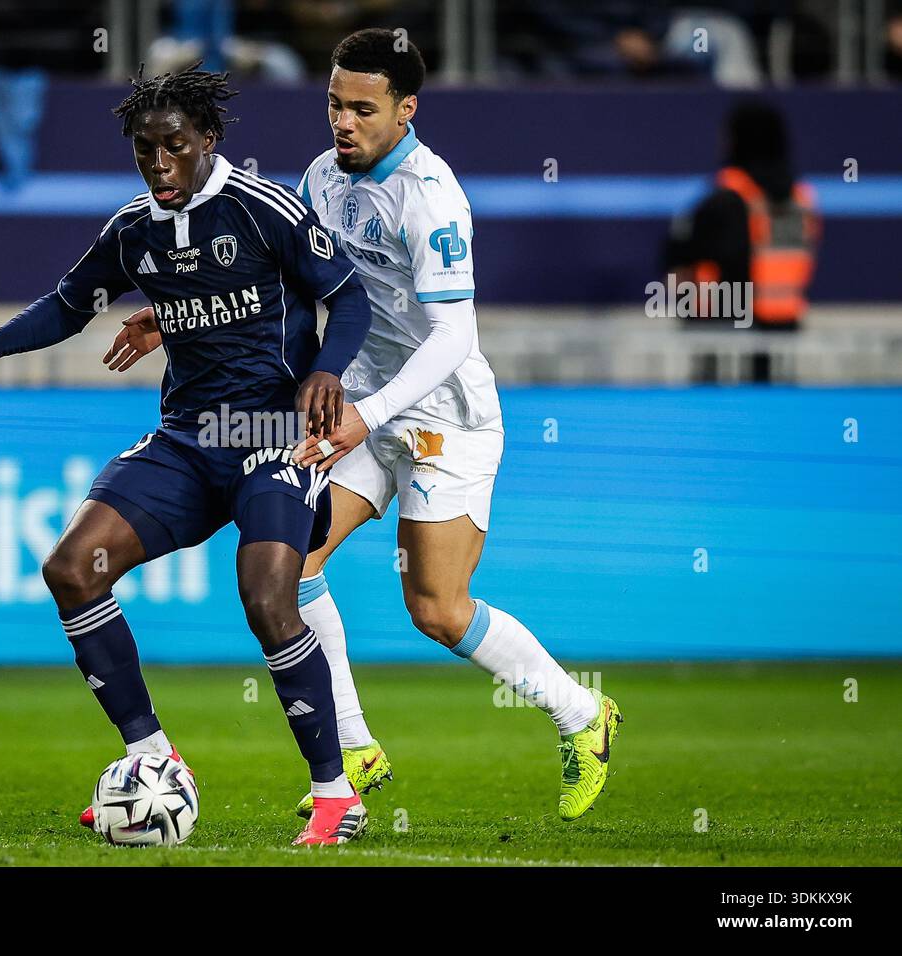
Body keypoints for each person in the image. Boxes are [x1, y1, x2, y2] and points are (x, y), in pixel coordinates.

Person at [106, 31, 624, 823]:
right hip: (360, 408)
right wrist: (171, 318)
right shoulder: (320, 177)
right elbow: (282, 278)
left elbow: (452, 338)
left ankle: (582, 715)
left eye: (362, 109)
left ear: (405, 110)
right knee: (292, 562)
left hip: (443, 419)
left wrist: (370, 414)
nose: (343, 122)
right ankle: (352, 745)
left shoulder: (432, 197)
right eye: (334, 104)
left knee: (437, 610)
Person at [0, 65, 374, 846]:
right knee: (71, 568)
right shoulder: (134, 228)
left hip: (273, 437)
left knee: (269, 599)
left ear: (208, 140)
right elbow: (71, 305)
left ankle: (336, 795)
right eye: (146, 151)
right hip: (187, 439)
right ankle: (153, 759)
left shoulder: (265, 209)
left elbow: (351, 297)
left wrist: (328, 372)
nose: (160, 164)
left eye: (174, 146)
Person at [665, 101, 820, 381]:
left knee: (724, 416)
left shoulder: (726, 197)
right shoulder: (801, 198)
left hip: (723, 329)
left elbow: (688, 254)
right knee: (774, 408)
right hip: (783, 324)